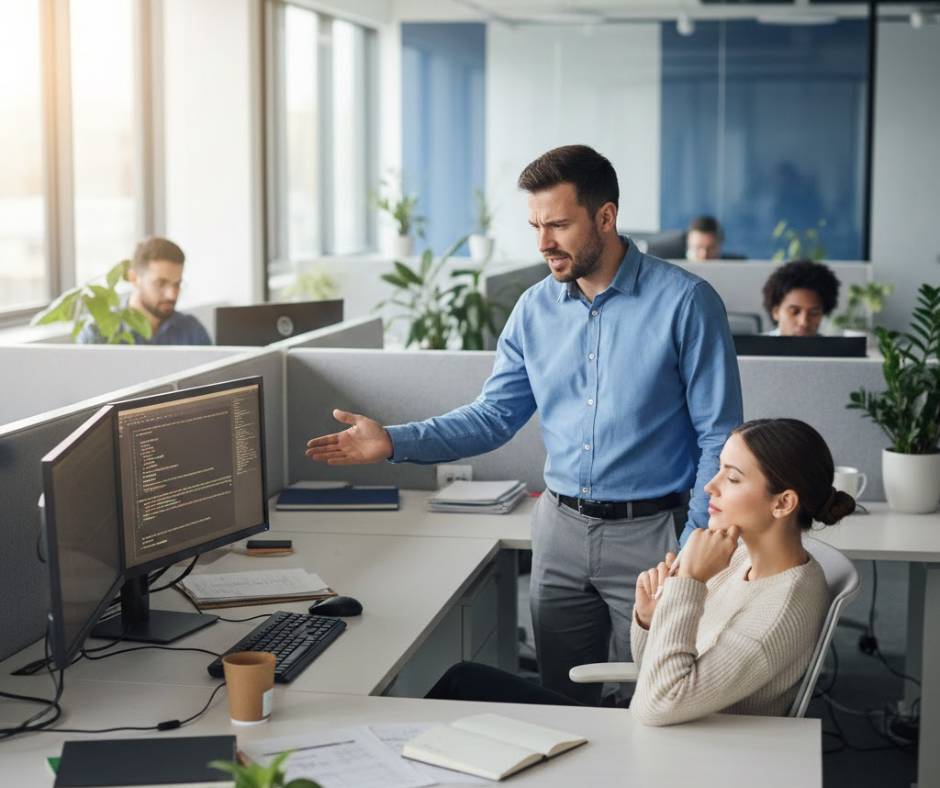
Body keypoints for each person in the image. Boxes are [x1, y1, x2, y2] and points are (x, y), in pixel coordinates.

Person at [305, 144, 743, 705]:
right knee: (563, 702)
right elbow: (494, 417)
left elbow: (719, 437)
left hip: (653, 535)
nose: (542, 243)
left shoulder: (686, 303)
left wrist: (692, 549)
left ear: (605, 217)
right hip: (559, 532)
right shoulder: (533, 311)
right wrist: (392, 440)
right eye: (535, 225)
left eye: (558, 225)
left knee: (657, 699)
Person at [426, 418, 856, 727]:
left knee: (464, 686)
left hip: (678, 753)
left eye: (732, 477)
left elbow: (659, 703)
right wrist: (650, 618)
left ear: (782, 503)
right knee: (465, 681)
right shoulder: (742, 556)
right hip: (664, 727)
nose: (710, 486)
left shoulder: (779, 611)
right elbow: (656, 667)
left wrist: (689, 584)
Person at [77, 237, 211, 345]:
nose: (172, 294)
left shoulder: (192, 331)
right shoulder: (97, 333)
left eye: (177, 284)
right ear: (134, 278)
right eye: (161, 283)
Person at [762, 259, 840, 337]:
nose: (804, 322)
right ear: (776, 312)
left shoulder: (831, 348)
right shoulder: (756, 347)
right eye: (794, 312)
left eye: (814, 313)